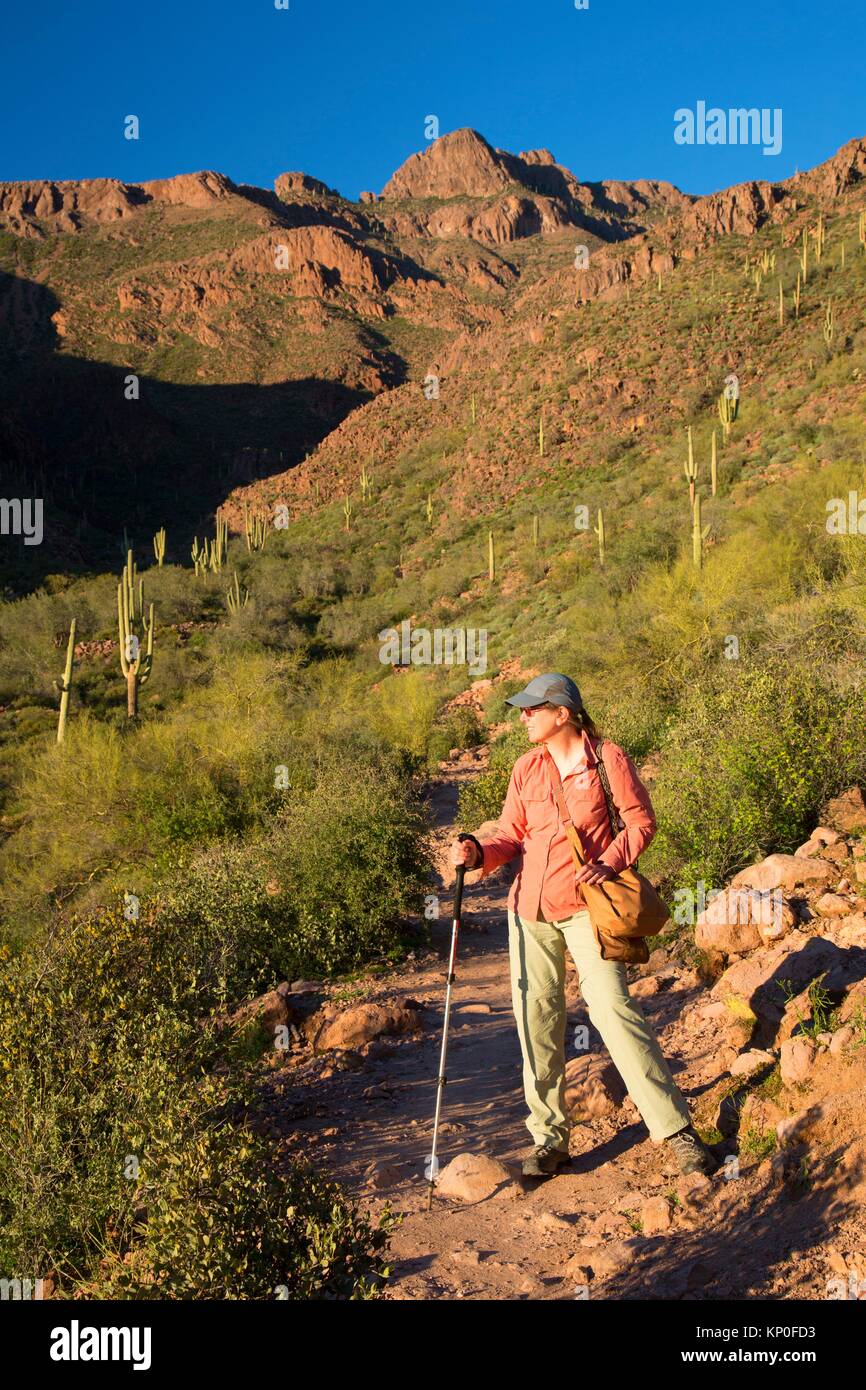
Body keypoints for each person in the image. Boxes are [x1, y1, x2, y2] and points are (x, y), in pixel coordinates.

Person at [449, 672, 719, 1179]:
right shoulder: (526, 768)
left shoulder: (607, 759)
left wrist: (611, 861)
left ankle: (676, 1131)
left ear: (563, 713)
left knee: (613, 1010)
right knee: (537, 1024)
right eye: (523, 709)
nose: (523, 716)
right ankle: (549, 1141)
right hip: (529, 910)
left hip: (588, 908)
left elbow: (641, 822)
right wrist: (480, 852)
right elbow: (511, 835)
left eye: (533, 709)